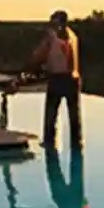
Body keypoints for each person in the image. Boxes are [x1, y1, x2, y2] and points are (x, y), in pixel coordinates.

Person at [24, 10, 82, 149]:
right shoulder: (73, 36)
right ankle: (76, 142)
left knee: (51, 114)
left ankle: (50, 141)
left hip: (58, 79)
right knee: (74, 115)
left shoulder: (52, 37)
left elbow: (39, 55)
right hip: (72, 79)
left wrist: (29, 69)